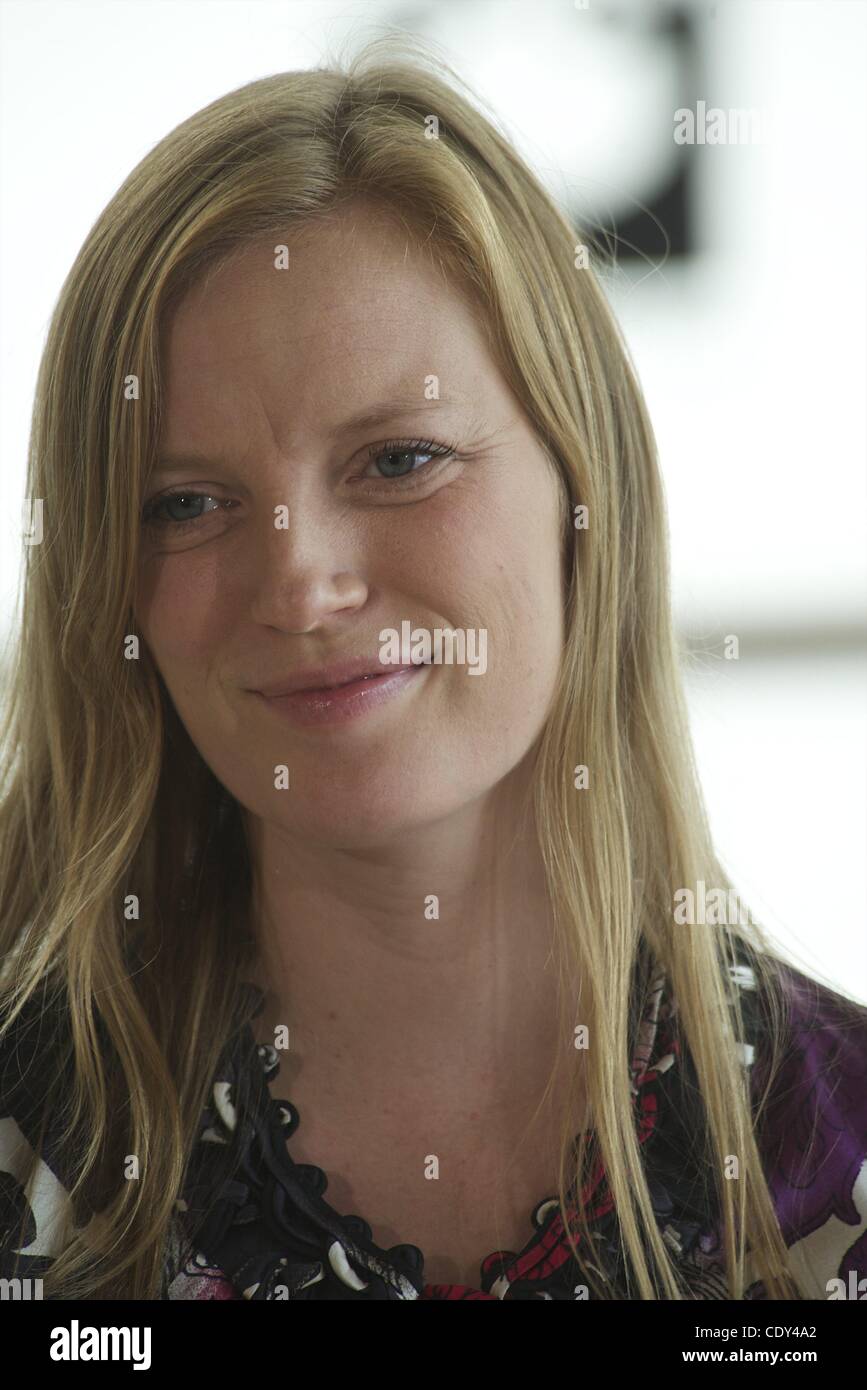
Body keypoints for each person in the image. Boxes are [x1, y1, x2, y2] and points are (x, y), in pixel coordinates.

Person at [1, 37, 865, 1302]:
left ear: (587, 488)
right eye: (187, 502)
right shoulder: (34, 1148)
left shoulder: (832, 1160)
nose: (300, 584)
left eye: (399, 460)